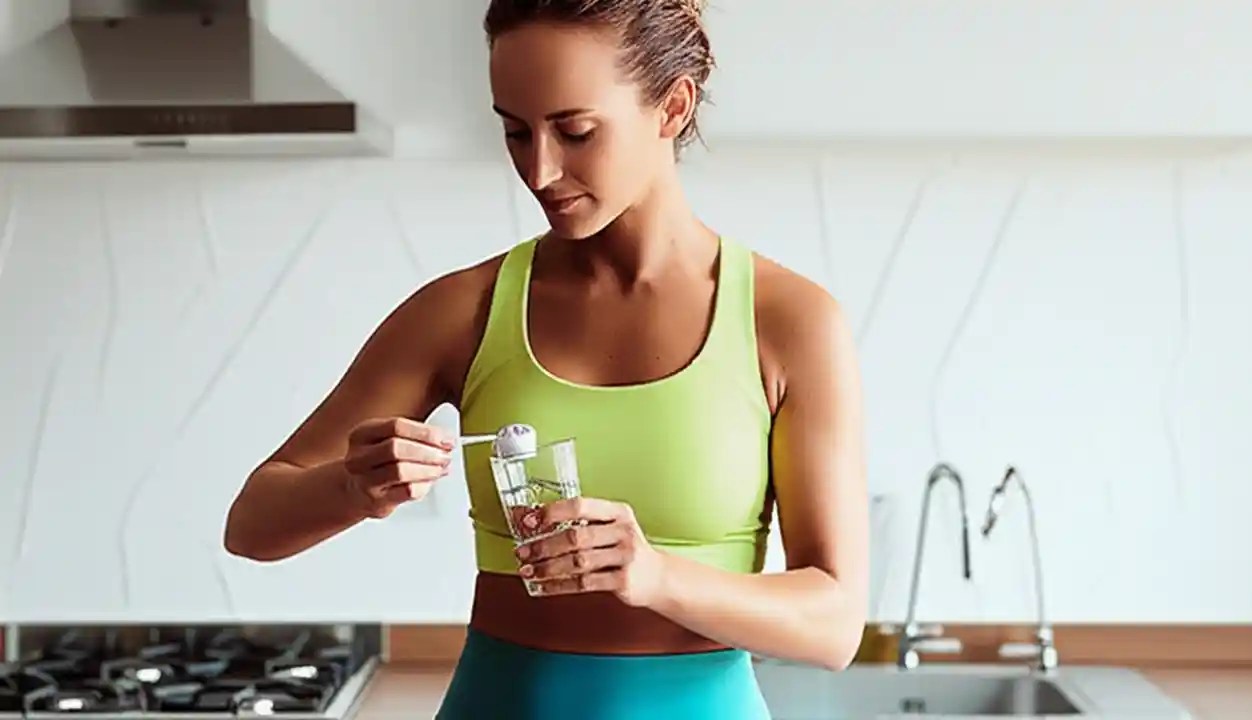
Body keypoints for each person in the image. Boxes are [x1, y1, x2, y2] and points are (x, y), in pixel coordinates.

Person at [223, 0, 869, 717]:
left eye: (576, 130)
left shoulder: (788, 321)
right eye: (514, 130)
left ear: (673, 106)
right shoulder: (462, 311)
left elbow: (835, 624)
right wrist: (353, 489)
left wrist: (654, 575)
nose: (540, 168)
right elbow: (252, 523)